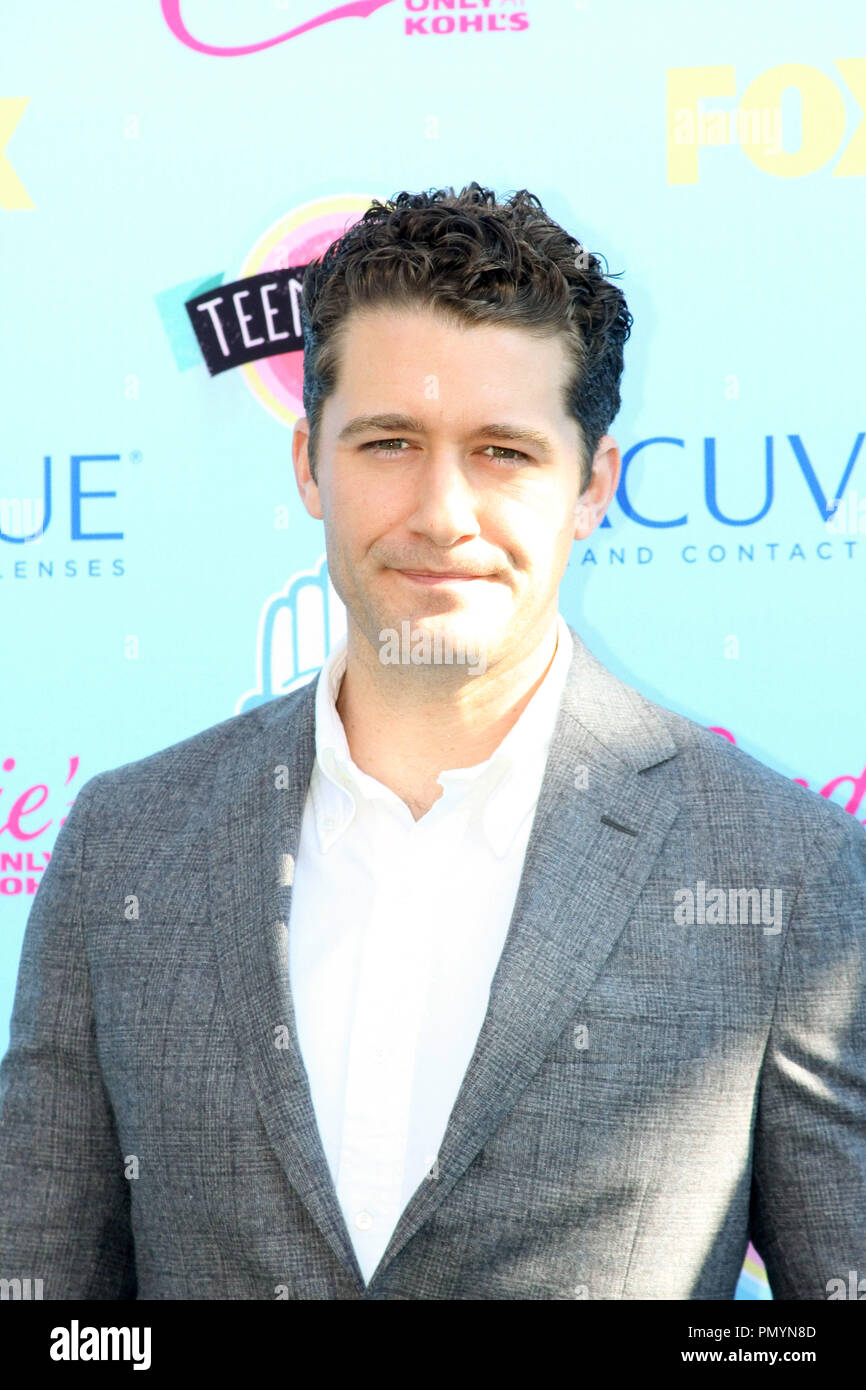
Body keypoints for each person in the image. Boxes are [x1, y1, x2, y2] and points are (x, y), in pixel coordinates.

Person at [1, 183, 864, 1300]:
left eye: (502, 451)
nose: (441, 510)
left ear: (591, 486)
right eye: (389, 441)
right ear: (309, 464)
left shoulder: (777, 871)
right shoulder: (125, 847)